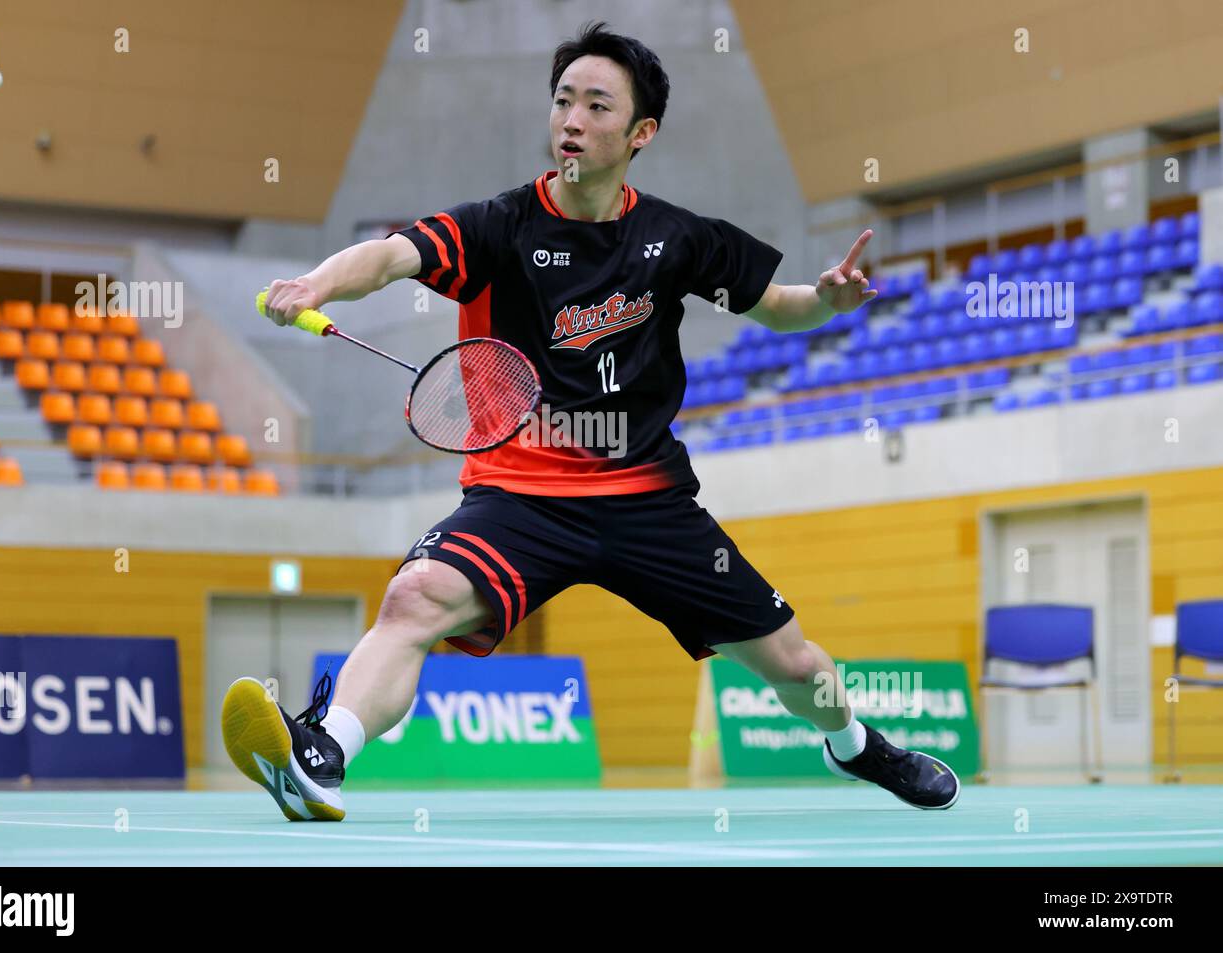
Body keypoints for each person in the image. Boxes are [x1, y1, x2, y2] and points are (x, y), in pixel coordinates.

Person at [221, 21, 959, 821]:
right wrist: (319, 283)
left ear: (641, 132)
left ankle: (857, 745)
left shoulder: (679, 238)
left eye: (597, 105)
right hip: (521, 494)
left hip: (649, 500)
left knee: (792, 661)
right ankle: (323, 753)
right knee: (416, 598)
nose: (572, 118)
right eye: (564, 100)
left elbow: (776, 307)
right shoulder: (500, 226)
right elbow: (394, 253)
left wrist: (827, 300)